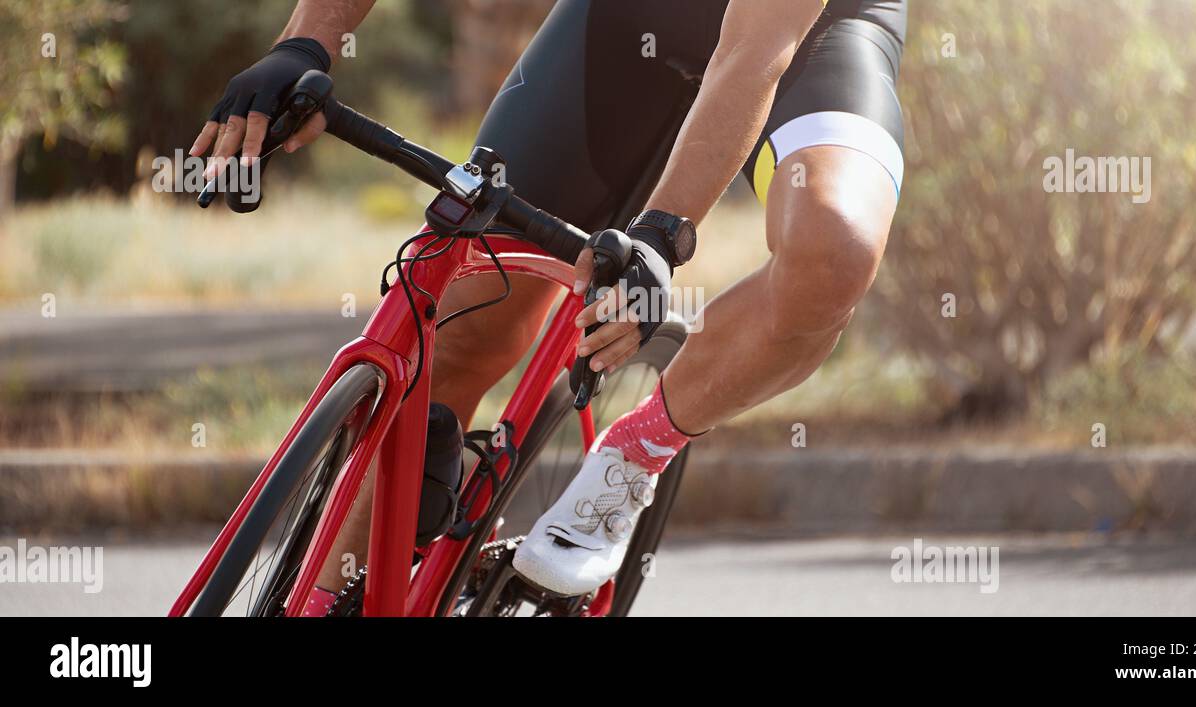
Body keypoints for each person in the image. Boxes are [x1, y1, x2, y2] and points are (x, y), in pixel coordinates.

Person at [191, 0, 907, 609]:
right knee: (457, 336)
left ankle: (632, 457)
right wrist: (304, 44)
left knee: (832, 253)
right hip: (627, 24)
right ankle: (324, 601)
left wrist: (659, 238)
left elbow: (754, 51)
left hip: (814, 35)